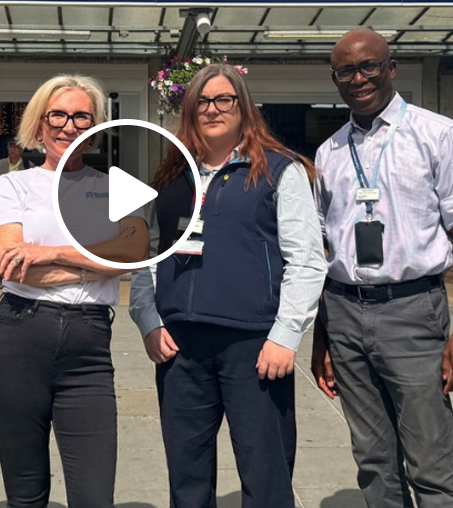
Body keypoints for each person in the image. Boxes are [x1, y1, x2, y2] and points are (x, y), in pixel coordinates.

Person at [130, 64, 327, 508]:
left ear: (244, 108)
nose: (212, 109)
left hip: (254, 347)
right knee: (187, 477)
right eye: (202, 101)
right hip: (179, 347)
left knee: (266, 476)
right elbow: (147, 254)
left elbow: (308, 261)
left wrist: (285, 336)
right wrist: (147, 319)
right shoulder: (170, 177)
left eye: (224, 100)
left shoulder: (280, 171)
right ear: (189, 110)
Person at [309, 29, 453, 508]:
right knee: (372, 459)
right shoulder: (329, 153)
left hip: (413, 309)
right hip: (345, 311)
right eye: (346, 71)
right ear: (334, 79)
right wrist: (322, 337)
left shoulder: (439, 134)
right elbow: (325, 250)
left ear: (391, 69)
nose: (358, 78)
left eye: (369, 66)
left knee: (429, 459)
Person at [0, 75, 148, 507]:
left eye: (81, 117)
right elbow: (13, 268)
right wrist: (99, 267)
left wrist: (50, 253)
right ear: (39, 124)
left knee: (94, 496)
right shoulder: (12, 186)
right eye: (58, 114)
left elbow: (133, 252)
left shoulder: (115, 187)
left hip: (88, 350)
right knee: (26, 494)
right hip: (18, 341)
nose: (69, 126)